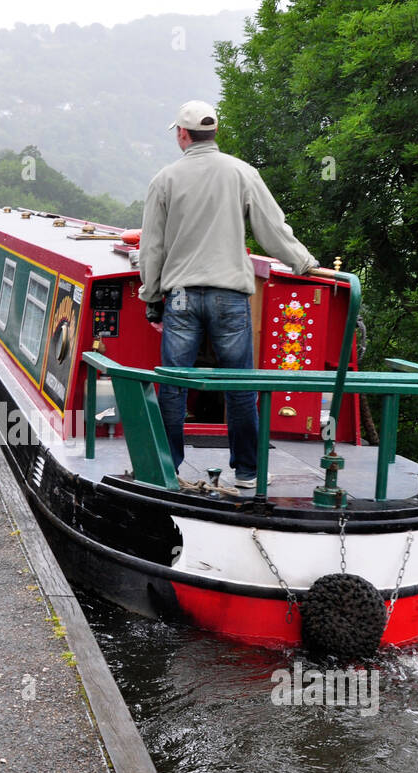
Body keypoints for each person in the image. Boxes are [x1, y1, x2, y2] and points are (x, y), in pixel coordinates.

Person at [139, 99, 319, 490]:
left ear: (183, 134)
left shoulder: (164, 180)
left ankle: (168, 468)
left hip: (182, 297)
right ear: (213, 132)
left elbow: (151, 248)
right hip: (230, 298)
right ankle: (248, 472)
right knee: (240, 385)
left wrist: (153, 299)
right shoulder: (242, 173)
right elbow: (273, 229)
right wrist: (305, 262)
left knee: (173, 384)